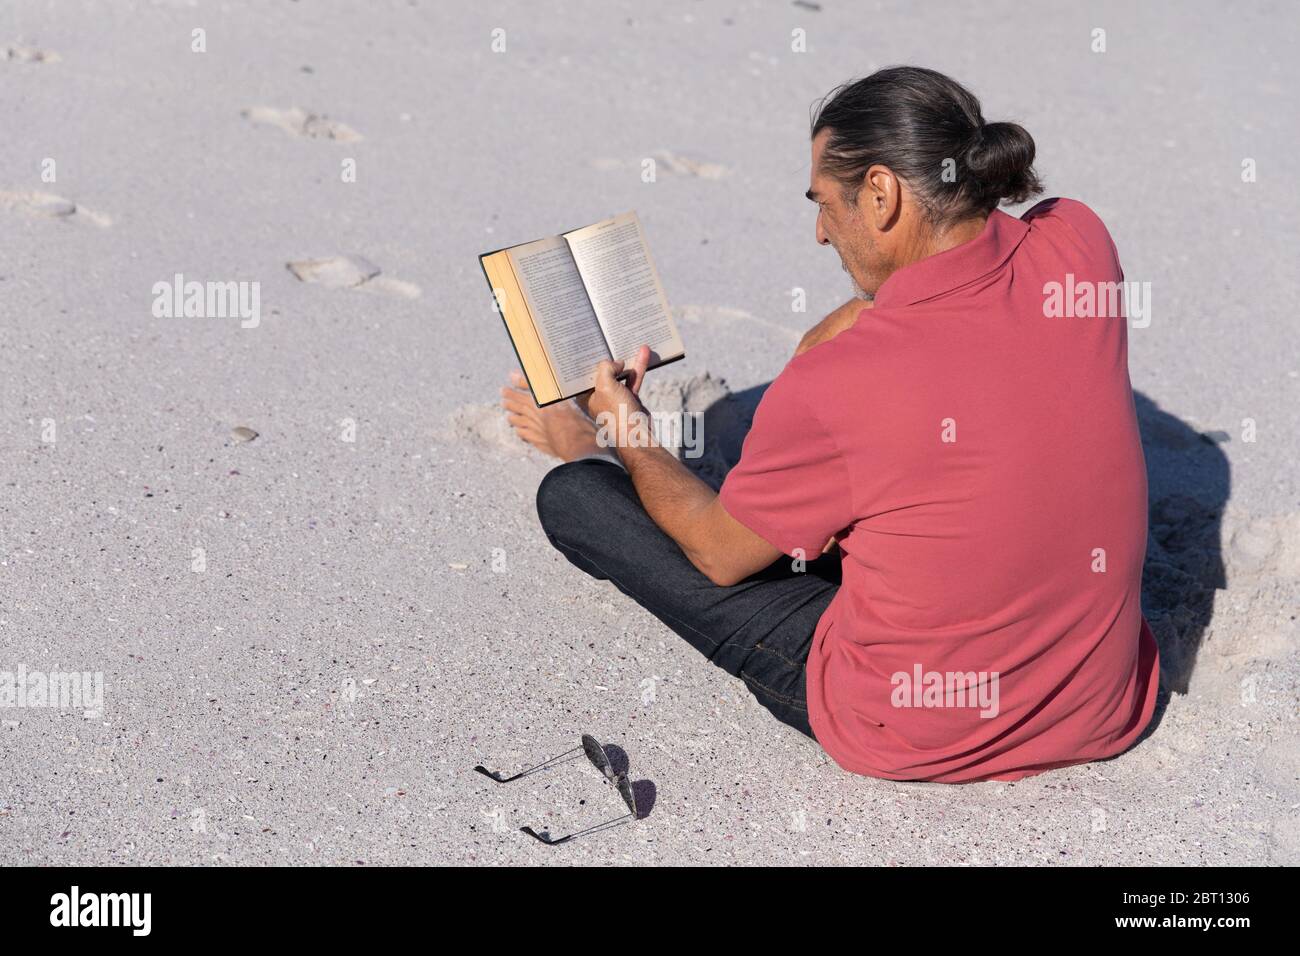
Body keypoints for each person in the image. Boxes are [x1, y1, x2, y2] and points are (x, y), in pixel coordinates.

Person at [500, 66, 1159, 783]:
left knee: (575, 498)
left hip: (915, 728)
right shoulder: (1078, 241)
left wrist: (618, 424)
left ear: (881, 193)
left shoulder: (841, 384)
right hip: (1100, 703)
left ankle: (591, 442)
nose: (819, 232)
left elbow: (720, 558)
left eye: (823, 202)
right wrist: (862, 319)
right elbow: (965, 308)